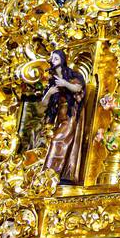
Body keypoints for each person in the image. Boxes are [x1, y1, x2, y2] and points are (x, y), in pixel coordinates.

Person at [41, 49, 86, 184]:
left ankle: (51, 174)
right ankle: (52, 174)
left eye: (55, 58)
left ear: (62, 59)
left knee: (57, 141)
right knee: (52, 142)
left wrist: (65, 84)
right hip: (59, 117)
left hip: (71, 114)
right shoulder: (52, 81)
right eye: (51, 58)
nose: (52, 60)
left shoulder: (72, 74)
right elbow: (43, 104)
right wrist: (49, 93)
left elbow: (78, 88)